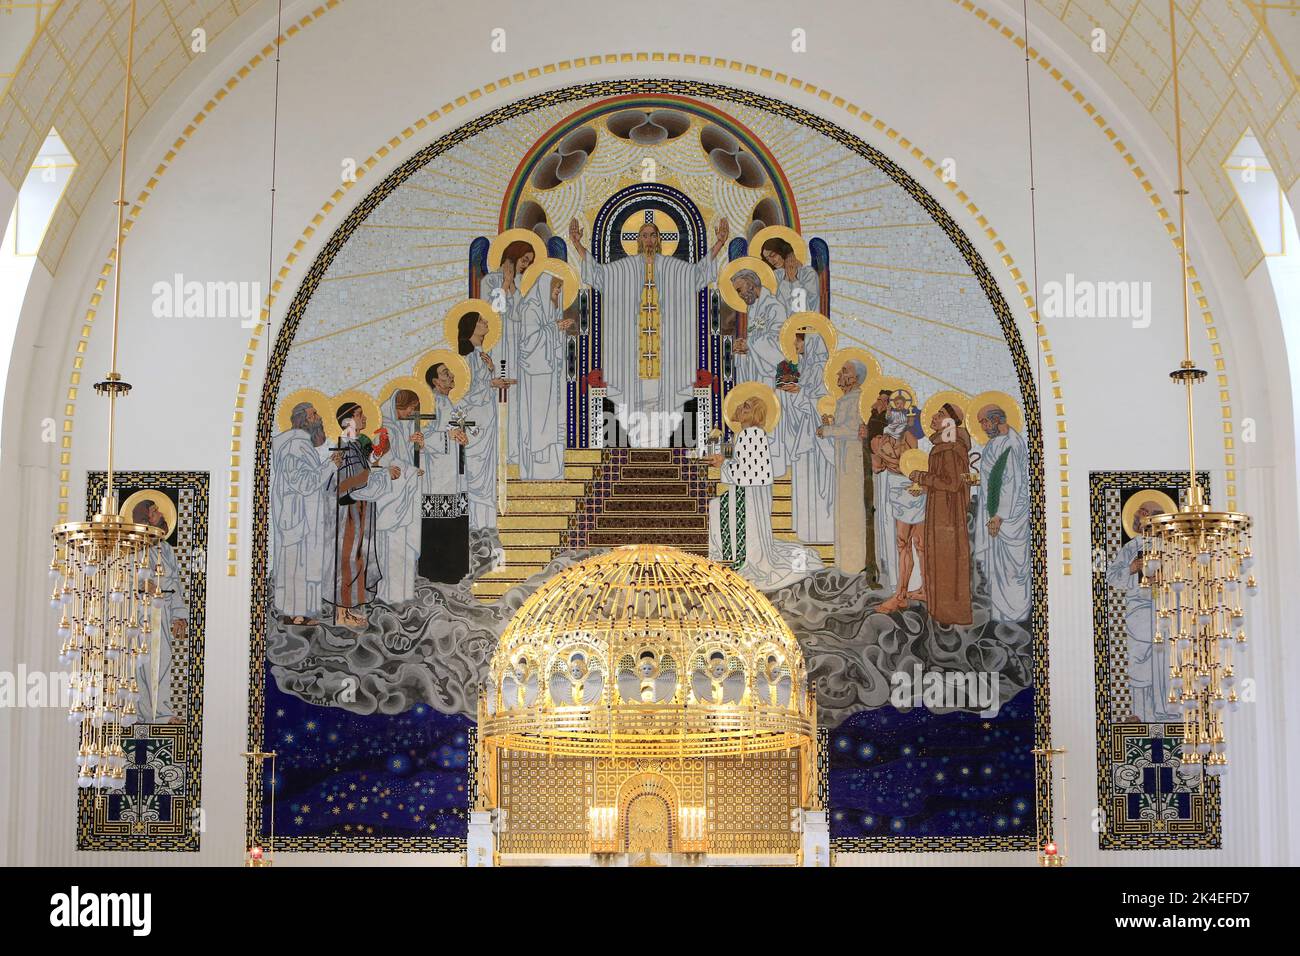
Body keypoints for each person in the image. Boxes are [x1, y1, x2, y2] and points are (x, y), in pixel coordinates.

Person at [568, 215, 727, 435]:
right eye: (644, 235)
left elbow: (698, 274)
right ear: (638, 240)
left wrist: (719, 243)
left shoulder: (673, 269)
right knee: (634, 419)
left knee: (666, 419)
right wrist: (577, 244)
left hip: (667, 362)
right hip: (632, 363)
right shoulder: (625, 269)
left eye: (653, 235)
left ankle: (663, 449)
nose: (649, 240)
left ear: (659, 239)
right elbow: (598, 274)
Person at [708, 394, 823, 589]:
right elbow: (745, 465)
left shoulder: (750, 435)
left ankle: (736, 556)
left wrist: (723, 464)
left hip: (748, 496)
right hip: (748, 493)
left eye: (744, 409)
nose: (738, 410)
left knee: (714, 507)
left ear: (752, 415)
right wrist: (725, 461)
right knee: (715, 505)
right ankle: (730, 552)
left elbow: (749, 473)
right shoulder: (749, 434)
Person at [1106, 496, 1180, 722]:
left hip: (1164, 610)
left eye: (1144, 514)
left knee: (1167, 661)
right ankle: (1140, 712)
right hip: (1138, 611)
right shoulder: (1130, 548)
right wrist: (1131, 568)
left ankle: (1168, 711)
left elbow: (1182, 576)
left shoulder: (1169, 547)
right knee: (1138, 660)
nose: (1140, 518)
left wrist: (1164, 576)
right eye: (1139, 514)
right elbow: (1111, 577)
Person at [326, 401, 399, 629]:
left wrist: (381, 466)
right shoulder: (345, 446)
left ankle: (349, 610)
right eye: (360, 415)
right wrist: (383, 474)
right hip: (348, 510)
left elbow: (365, 471)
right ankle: (341, 614)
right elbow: (351, 480)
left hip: (360, 508)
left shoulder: (355, 445)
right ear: (348, 421)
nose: (364, 418)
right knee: (347, 559)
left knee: (358, 557)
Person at [270, 401, 334, 624]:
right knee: (295, 565)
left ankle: (304, 612)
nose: (319, 417)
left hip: (305, 517)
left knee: (305, 564)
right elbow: (305, 483)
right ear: (303, 420)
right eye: (314, 414)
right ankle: (294, 614)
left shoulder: (302, 444)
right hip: (296, 517)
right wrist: (330, 465)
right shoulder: (293, 447)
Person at [911, 402, 973, 625]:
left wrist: (922, 477)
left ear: (949, 422)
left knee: (947, 557)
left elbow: (952, 482)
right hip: (940, 507)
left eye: (940, 414)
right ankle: (940, 611)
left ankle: (949, 613)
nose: (934, 417)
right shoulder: (944, 446)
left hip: (947, 511)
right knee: (940, 556)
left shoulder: (950, 448)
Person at [455, 311, 515, 529]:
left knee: (487, 473)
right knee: (475, 473)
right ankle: (475, 525)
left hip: (487, 421)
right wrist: (492, 382)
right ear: (471, 327)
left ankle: (486, 524)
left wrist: (491, 374)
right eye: (481, 321)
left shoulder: (482, 354)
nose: (486, 322)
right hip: (474, 423)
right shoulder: (466, 358)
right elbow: (464, 392)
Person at [131, 499, 187, 723]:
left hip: (162, 611)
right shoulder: (132, 546)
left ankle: (161, 713)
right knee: (141, 664)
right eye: (154, 512)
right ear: (145, 519)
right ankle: (138, 713)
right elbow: (123, 578)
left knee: (163, 661)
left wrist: (179, 615)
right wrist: (142, 584)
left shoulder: (167, 549)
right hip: (141, 611)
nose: (160, 514)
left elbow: (175, 583)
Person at [974, 402, 1031, 623]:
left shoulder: (1012, 443)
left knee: (1012, 567)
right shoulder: (995, 443)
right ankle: (1001, 614)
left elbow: (1011, 484)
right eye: (981, 423)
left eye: (985, 422)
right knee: (997, 566)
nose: (983, 427)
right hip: (995, 511)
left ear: (997, 419)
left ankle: (1015, 615)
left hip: (1008, 516)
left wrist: (999, 516)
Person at [418, 361, 471, 582]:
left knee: (455, 518)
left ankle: (454, 569)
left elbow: (463, 429)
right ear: (435, 381)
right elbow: (421, 437)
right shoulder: (429, 404)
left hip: (454, 473)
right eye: (445, 373)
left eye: (449, 371)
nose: (450, 375)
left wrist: (464, 436)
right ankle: (437, 570)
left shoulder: (450, 403)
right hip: (437, 475)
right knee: (439, 522)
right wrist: (447, 437)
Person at [873, 401, 925, 613]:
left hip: (914, 490)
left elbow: (916, 463)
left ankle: (924, 589)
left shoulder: (909, 438)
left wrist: (918, 483)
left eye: (899, 416)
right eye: (892, 415)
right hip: (897, 491)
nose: (895, 420)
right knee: (903, 543)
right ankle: (901, 594)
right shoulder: (881, 440)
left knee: (920, 543)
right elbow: (877, 467)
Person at [817, 361, 868, 575]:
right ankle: (844, 563)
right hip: (844, 459)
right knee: (844, 509)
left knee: (852, 511)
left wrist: (828, 430)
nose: (839, 374)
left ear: (855, 378)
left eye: (844, 371)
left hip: (853, 461)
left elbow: (853, 429)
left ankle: (853, 565)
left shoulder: (856, 399)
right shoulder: (845, 399)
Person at [374, 389, 423, 605]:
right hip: (391, 499)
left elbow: (405, 457)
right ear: (399, 405)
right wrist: (411, 472)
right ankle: (389, 595)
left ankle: (403, 595)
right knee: (391, 547)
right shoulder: (384, 428)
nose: (413, 412)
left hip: (404, 496)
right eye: (411, 407)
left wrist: (418, 445)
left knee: (402, 547)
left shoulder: (399, 428)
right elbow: (385, 461)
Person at [786, 331, 835, 541]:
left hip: (819, 426)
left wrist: (799, 393)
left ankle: (820, 530)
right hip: (810, 425)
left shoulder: (819, 367)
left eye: (797, 340)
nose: (795, 345)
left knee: (819, 473)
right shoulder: (809, 365)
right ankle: (807, 530)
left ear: (808, 341)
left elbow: (819, 397)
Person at [731, 269, 789, 388]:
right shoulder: (752, 308)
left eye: (739, 290)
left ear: (750, 285)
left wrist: (749, 345)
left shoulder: (774, 306)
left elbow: (779, 342)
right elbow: (753, 337)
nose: (739, 295)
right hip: (755, 371)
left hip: (769, 376)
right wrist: (742, 346)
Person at [760, 236, 820, 314]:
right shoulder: (775, 276)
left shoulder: (808, 273)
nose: (771, 261)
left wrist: (794, 280)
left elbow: (805, 308)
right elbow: (778, 308)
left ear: (782, 250)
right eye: (767, 259)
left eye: (773, 255)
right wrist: (786, 279)